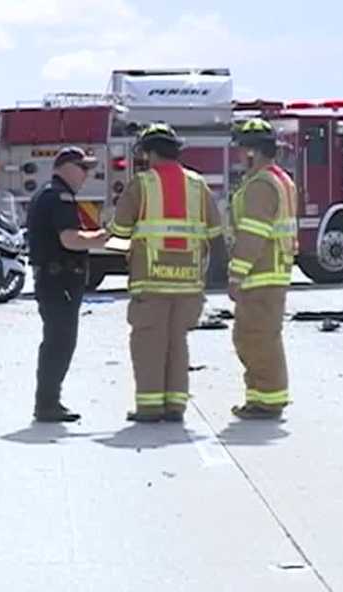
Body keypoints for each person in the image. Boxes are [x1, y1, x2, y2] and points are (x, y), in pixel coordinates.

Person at [107, 124, 224, 423]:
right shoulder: (198, 185)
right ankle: (175, 407)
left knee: (149, 344)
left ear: (148, 152)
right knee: (177, 344)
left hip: (152, 280)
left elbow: (119, 234)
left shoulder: (141, 184)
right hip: (188, 283)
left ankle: (149, 407)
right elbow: (215, 233)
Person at [26, 147, 111, 423]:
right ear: (65, 167)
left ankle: (49, 401)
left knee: (57, 340)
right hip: (59, 280)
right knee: (60, 342)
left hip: (54, 279)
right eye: (82, 167)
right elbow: (70, 239)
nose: (87, 174)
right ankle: (47, 404)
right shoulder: (59, 196)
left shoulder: (48, 193)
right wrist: (102, 237)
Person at [228, 118, 298, 420]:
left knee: (255, 338)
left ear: (253, 152)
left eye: (242, 150)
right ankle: (262, 398)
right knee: (261, 337)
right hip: (273, 272)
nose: (239, 156)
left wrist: (235, 275)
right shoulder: (281, 179)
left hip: (261, 275)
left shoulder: (261, 184)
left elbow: (252, 235)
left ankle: (267, 401)